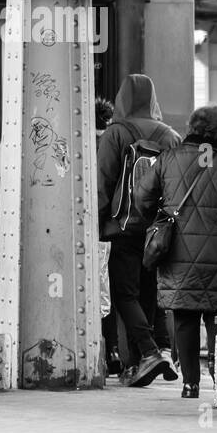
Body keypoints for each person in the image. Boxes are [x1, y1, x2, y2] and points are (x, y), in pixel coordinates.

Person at [135, 104, 217, 397]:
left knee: (185, 317)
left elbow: (142, 196)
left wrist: (161, 216)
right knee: (215, 318)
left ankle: (190, 385)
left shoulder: (168, 159)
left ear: (193, 128)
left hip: (178, 253)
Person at [97, 73, 180, 384]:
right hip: (158, 229)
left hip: (123, 227)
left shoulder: (115, 133)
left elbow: (102, 183)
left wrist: (97, 223)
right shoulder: (171, 136)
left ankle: (148, 353)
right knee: (150, 293)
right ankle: (151, 358)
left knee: (124, 293)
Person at [94, 97, 120, 375]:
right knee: (110, 291)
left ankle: (103, 348)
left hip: (92, 226)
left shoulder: (80, 143)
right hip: (116, 227)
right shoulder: (115, 142)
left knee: (96, 290)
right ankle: (114, 348)